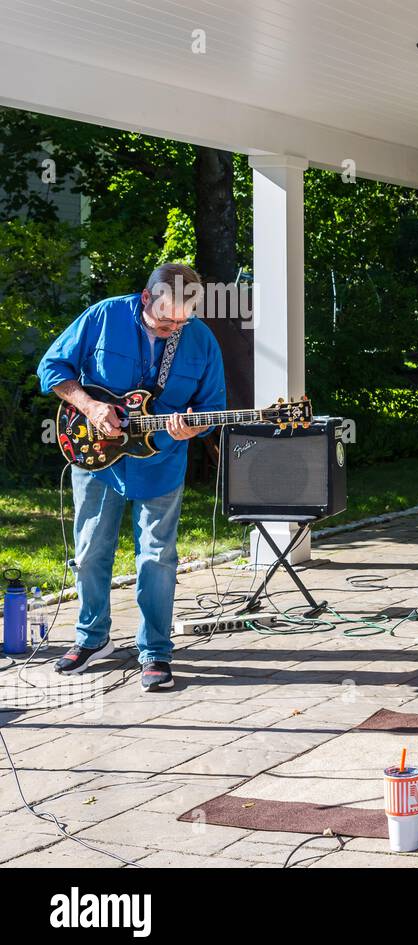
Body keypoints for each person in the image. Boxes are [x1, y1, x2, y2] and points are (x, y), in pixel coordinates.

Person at [37, 264, 226, 691]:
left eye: (182, 320)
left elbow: (211, 409)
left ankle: (156, 652)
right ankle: (91, 639)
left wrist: (191, 426)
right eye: (165, 320)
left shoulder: (201, 339)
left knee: (157, 558)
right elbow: (52, 368)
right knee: (88, 553)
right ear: (146, 299)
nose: (173, 328)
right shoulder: (103, 316)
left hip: (161, 463)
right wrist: (90, 406)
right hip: (95, 456)